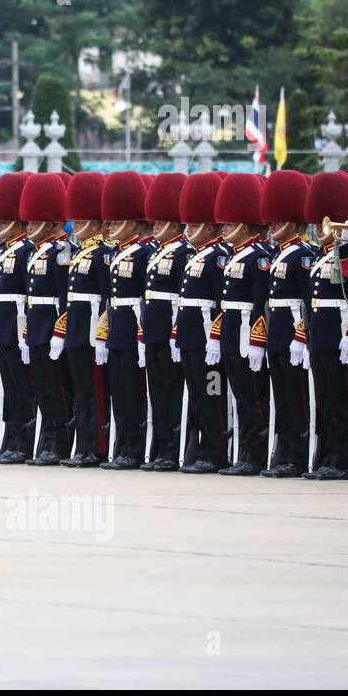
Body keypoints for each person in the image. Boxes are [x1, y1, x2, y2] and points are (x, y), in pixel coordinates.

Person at [302, 172, 348, 480]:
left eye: (324, 224)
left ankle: (342, 460)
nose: (319, 230)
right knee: (325, 400)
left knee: (341, 400)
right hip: (321, 336)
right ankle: (325, 455)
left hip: (341, 335)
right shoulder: (318, 256)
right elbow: (308, 300)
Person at [212, 173, 274, 477]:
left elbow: (262, 303)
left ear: (245, 224)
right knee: (240, 395)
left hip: (247, 333)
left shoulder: (259, 258)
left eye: (229, 222)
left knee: (253, 397)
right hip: (232, 331)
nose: (223, 227)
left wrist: (257, 341)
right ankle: (246, 451)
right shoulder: (237, 256)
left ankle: (255, 454)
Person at [260, 171, 316, 478]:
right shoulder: (280, 254)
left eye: (277, 219)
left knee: (296, 399)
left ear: (293, 222)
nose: (270, 225)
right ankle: (283, 454)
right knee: (281, 398)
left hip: (293, 334)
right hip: (277, 335)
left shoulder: (303, 256)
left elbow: (308, 302)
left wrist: (301, 337)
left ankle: (296, 457)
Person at [175, 174, 231, 474]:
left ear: (209, 227)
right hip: (190, 336)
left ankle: (215, 451)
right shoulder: (196, 255)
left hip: (208, 338)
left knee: (212, 395)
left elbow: (221, 300)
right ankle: (199, 450)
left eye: (194, 225)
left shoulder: (219, 257)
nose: (189, 231)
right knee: (197, 395)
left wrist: (215, 338)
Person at [56, 172, 111, 468]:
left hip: (91, 329)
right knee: (81, 393)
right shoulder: (78, 253)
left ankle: (95, 447)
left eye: (80, 221)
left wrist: (101, 333)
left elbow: (106, 298)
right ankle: (84, 445)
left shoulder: (103, 254)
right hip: (76, 329)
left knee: (94, 392)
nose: (75, 227)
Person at [101, 171, 156, 470]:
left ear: (133, 223)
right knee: (119, 391)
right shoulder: (118, 253)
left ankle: (134, 449)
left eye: (116, 220)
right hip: (117, 327)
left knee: (134, 393)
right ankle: (122, 445)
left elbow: (145, 298)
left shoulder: (146, 253)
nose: (109, 226)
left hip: (134, 327)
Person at [19, 172, 73, 466]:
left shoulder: (61, 253)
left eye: (35, 220)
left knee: (57, 390)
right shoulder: (38, 252)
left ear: (51, 222)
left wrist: (60, 331)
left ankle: (59, 443)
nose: (29, 226)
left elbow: (64, 297)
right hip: (36, 325)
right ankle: (48, 441)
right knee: (42, 389)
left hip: (51, 324)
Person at [140, 174, 191, 471]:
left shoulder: (184, 252)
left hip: (170, 332)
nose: (155, 226)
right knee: (157, 395)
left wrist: (174, 332)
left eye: (160, 221)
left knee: (172, 395)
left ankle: (171, 450)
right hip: (153, 332)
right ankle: (160, 448)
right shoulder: (160, 251)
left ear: (174, 222)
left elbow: (181, 296)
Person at [0, 173, 36, 464]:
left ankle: (23, 442)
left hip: (19, 326)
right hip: (3, 327)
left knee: (22, 387)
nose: (2, 226)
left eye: (7, 221)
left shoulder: (26, 251)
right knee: (8, 388)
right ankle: (10, 439)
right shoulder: (3, 251)